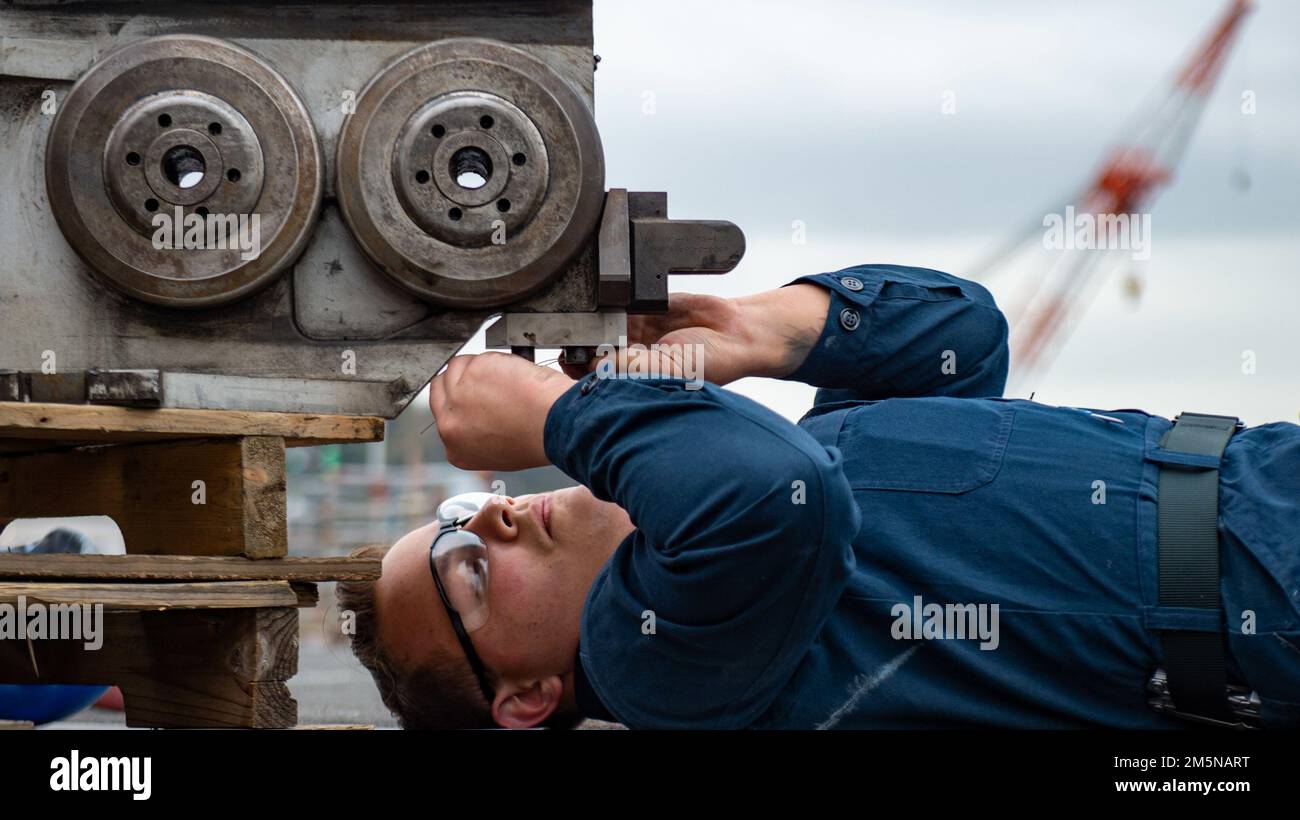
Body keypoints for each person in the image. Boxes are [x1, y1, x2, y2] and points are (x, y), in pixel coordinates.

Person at [338, 264, 1300, 729]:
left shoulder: (749, 547)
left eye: (461, 518)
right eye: (467, 569)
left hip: (1267, 484)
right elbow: (772, 493)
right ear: (528, 698)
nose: (493, 515)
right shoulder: (659, 670)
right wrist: (560, 412)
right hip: (1266, 603)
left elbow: (962, 334)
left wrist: (762, 334)